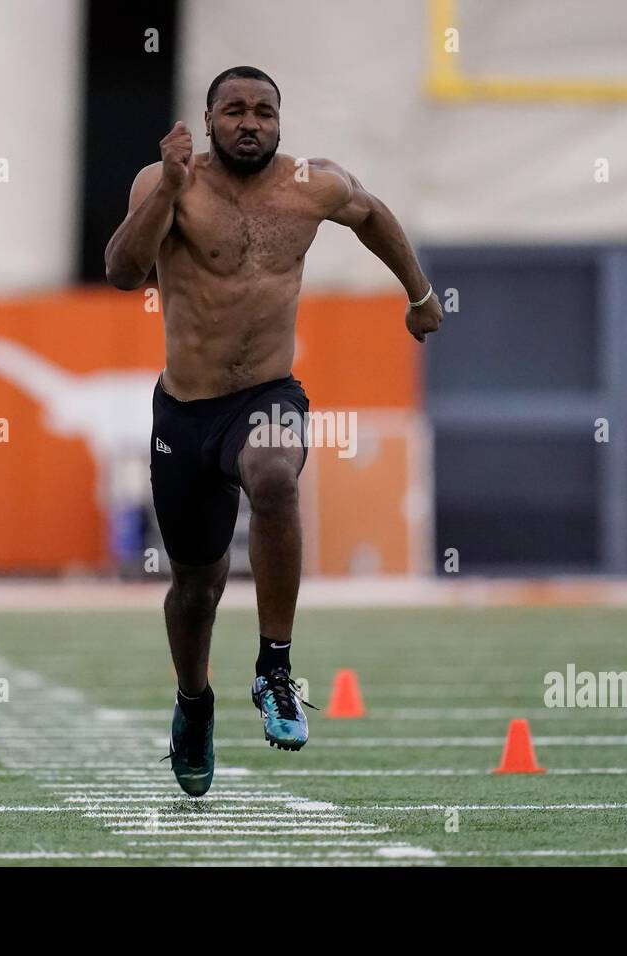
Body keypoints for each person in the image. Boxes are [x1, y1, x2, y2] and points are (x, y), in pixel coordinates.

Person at [104, 65, 443, 795]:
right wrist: (163, 190)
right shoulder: (169, 182)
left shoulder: (310, 184)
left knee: (272, 477)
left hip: (267, 395)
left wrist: (418, 293)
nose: (249, 122)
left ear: (281, 122)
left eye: (263, 111)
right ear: (209, 118)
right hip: (186, 414)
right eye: (234, 110)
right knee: (196, 588)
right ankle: (194, 704)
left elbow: (374, 213)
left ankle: (275, 668)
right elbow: (123, 271)